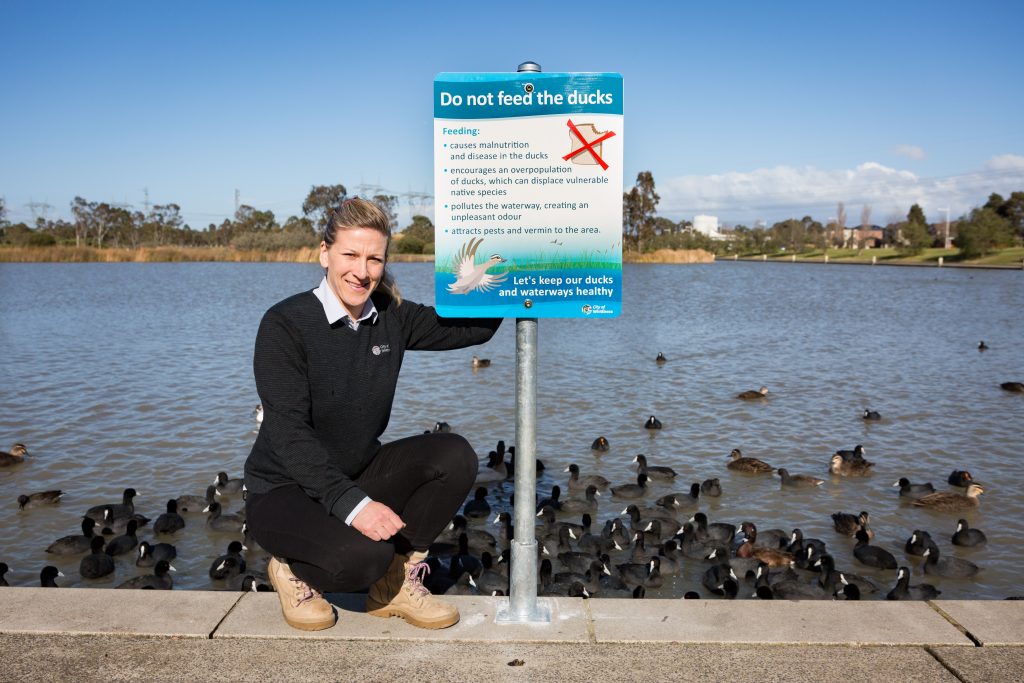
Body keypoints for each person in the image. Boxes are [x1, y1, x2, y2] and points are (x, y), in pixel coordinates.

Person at [244, 198, 501, 631]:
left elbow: (472, 328)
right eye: (349, 255)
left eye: (374, 259)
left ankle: (394, 584)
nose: (361, 271)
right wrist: (356, 508)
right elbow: (288, 433)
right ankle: (289, 568)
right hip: (283, 489)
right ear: (324, 253)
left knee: (454, 455)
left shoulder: (390, 317)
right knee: (363, 557)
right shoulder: (285, 324)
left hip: (354, 471)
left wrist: (511, 274)